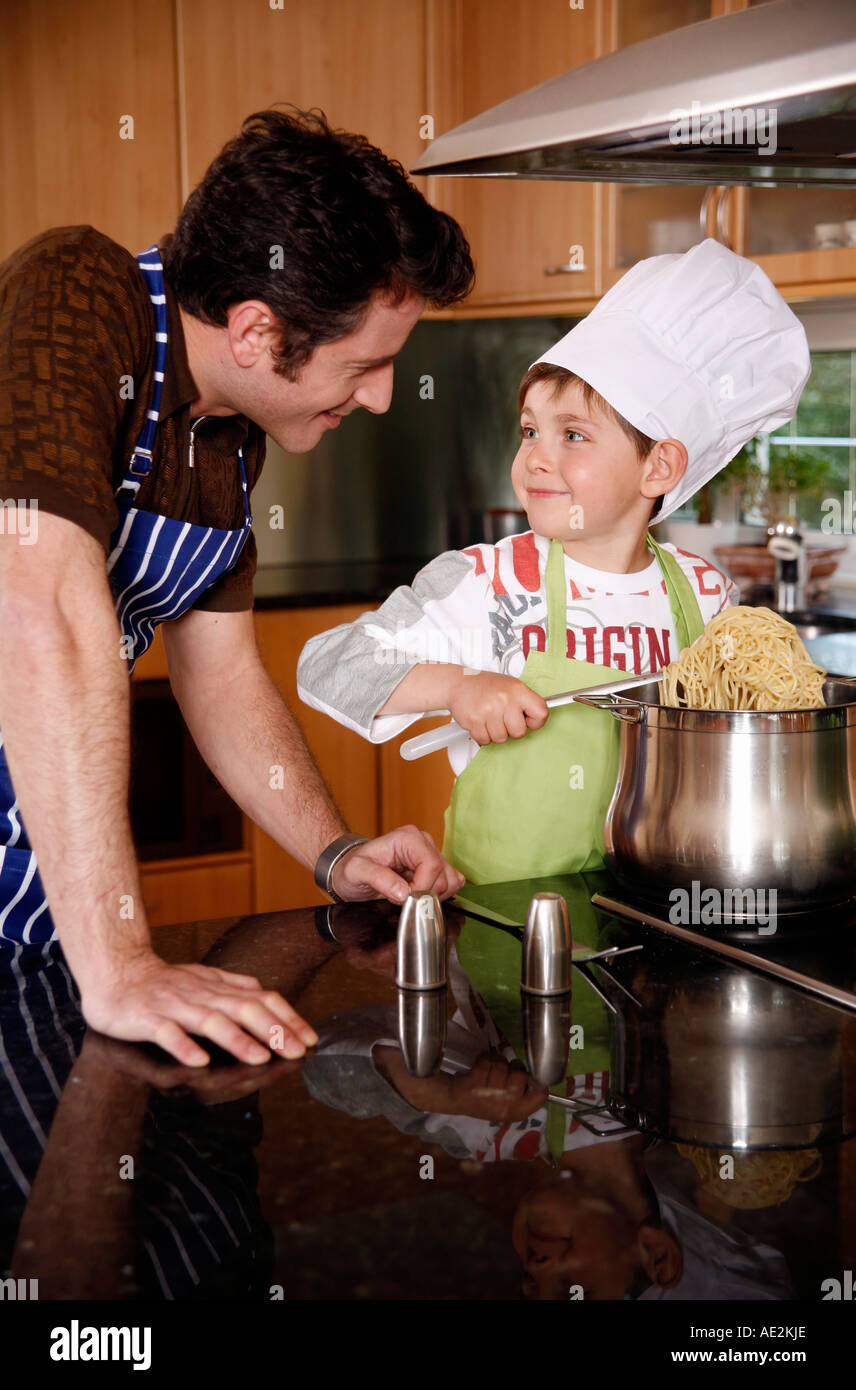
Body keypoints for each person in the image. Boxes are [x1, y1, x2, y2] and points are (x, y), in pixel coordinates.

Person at [0, 107, 473, 1066]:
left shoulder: (230, 435)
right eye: (367, 365)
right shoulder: (78, 291)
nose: (381, 396)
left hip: (41, 884)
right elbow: (38, 606)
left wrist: (337, 855)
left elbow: (219, 677)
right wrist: (124, 959)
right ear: (257, 332)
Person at [298, 238, 811, 884]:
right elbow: (326, 666)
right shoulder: (489, 582)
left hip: (660, 910)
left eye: (572, 435)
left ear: (659, 466)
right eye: (530, 430)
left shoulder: (707, 595)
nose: (536, 457)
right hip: (509, 931)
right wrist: (459, 687)